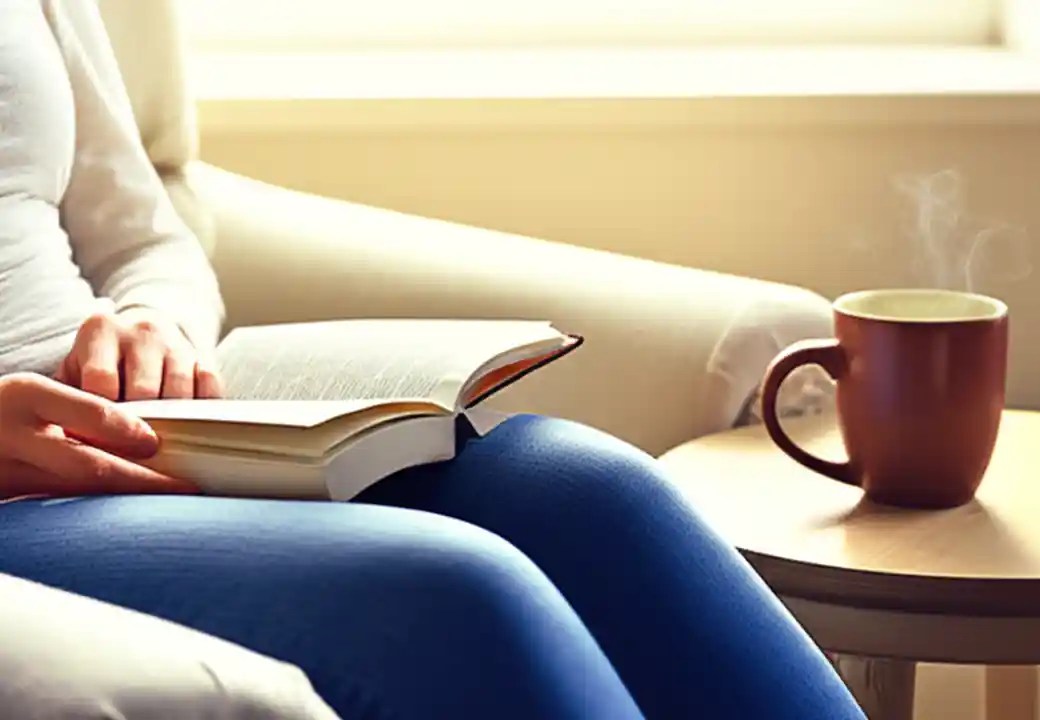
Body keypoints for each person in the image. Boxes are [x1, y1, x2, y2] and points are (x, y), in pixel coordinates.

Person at [0, 1, 865, 718]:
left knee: (587, 487)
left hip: (153, 421)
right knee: (449, 595)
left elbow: (145, 239)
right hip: (22, 501)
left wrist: (157, 324)